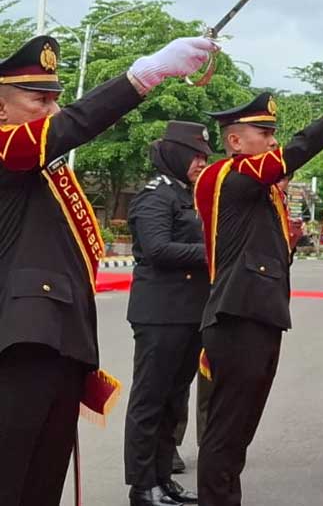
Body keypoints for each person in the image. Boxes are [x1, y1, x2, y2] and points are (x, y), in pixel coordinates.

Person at [0, 35, 215, 506]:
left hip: (61, 340)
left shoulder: (44, 170)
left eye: (57, 98)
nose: (54, 109)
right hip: (21, 343)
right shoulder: (6, 151)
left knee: (43, 479)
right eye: (40, 99)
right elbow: (75, 125)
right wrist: (143, 76)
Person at [195, 82, 323, 506]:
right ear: (234, 141)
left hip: (259, 315)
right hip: (237, 316)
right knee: (227, 429)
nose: (272, 141)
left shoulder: (257, 188)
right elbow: (300, 149)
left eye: (272, 133)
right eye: (263, 134)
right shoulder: (232, 174)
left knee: (240, 429)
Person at [124, 121, 214, 506]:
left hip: (188, 313)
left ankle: (164, 478)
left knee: (173, 401)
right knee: (150, 400)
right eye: (195, 155)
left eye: (204, 156)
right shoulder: (155, 196)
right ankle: (143, 485)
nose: (200, 163)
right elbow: (157, 249)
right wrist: (213, 253)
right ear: (174, 153)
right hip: (160, 313)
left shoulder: (187, 194)